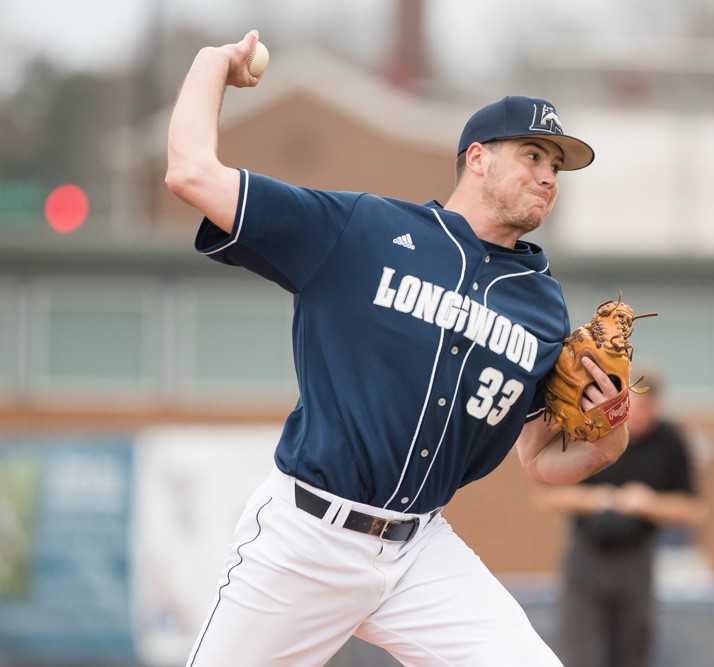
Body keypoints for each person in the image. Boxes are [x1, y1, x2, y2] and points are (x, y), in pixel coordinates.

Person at [165, 30, 631, 667]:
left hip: (418, 553)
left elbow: (539, 458)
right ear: (477, 158)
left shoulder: (542, 303)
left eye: (557, 166)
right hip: (307, 538)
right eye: (532, 155)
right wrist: (211, 65)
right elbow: (190, 172)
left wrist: (610, 433)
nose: (548, 176)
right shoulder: (363, 230)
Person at [538, 371, 706, 667]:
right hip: (587, 557)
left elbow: (692, 509)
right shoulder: (589, 426)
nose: (639, 416)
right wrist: (596, 499)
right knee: (579, 653)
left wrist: (650, 503)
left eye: (647, 408)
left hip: (636, 559)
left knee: (633, 653)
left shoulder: (669, 440)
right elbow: (547, 495)